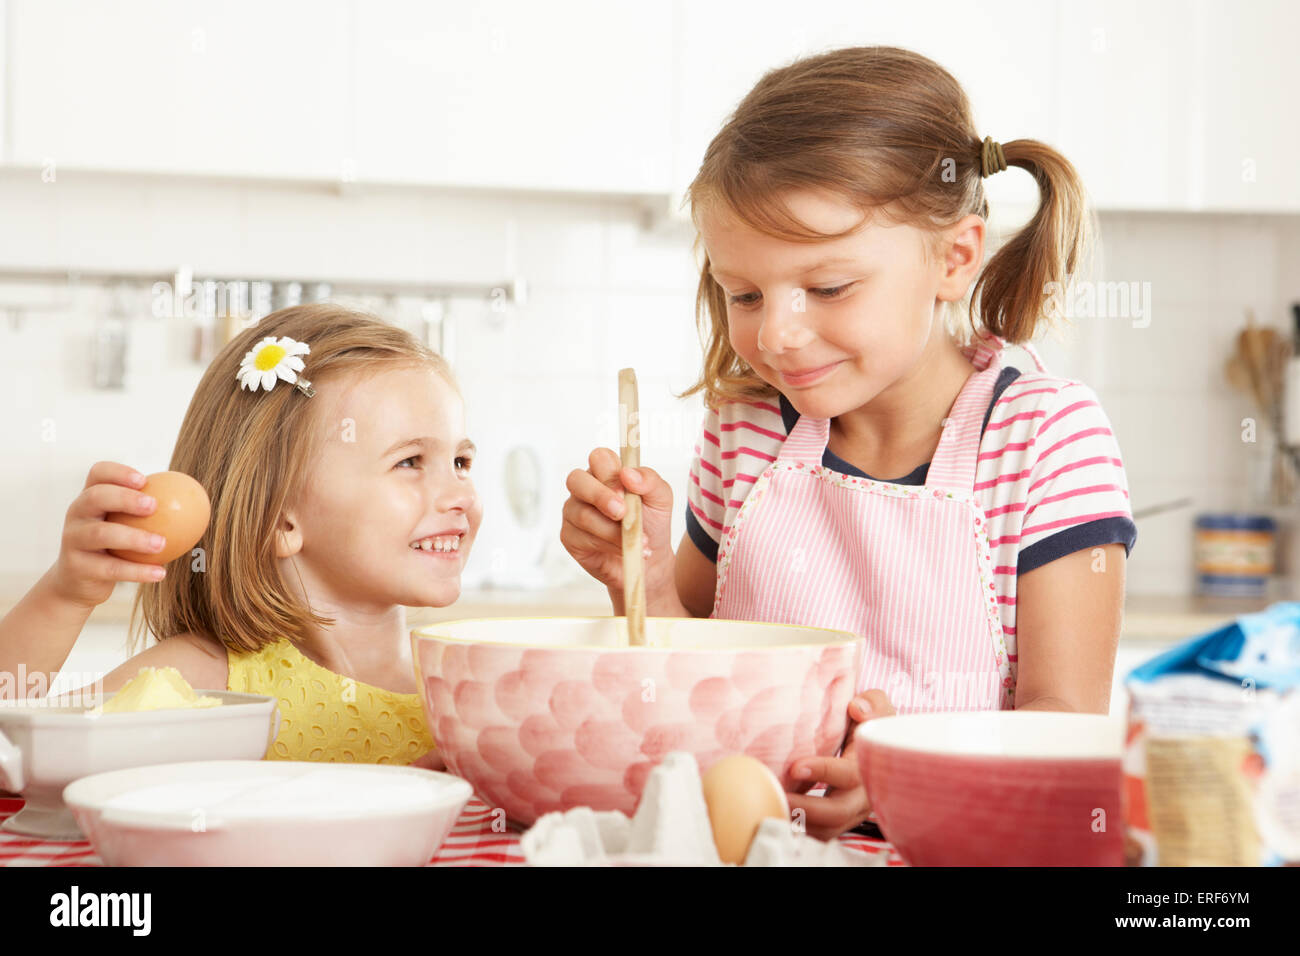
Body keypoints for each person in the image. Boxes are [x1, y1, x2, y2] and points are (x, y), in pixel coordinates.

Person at [561, 46, 1136, 838]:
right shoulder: (749, 429)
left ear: (955, 257)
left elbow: (1067, 726)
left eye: (828, 288)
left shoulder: (1043, 439)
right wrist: (644, 578)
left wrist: (911, 766)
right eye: (745, 294)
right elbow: (689, 674)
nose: (778, 333)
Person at [0, 304, 481, 767]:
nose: (458, 493)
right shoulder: (205, 684)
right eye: (409, 462)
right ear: (281, 519)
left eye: (461, 462)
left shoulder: (470, 687)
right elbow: (11, 750)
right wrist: (64, 597)